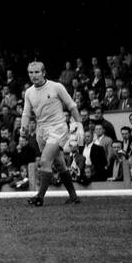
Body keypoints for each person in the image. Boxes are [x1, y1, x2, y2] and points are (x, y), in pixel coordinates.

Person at [20, 60, 83, 206]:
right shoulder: (29, 92)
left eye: (37, 72)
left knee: (44, 161)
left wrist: (78, 125)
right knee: (60, 164)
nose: (34, 75)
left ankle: (40, 197)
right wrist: (23, 128)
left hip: (58, 128)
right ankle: (74, 197)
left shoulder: (56, 87)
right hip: (41, 131)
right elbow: (26, 113)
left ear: (44, 73)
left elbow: (72, 106)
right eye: (31, 72)